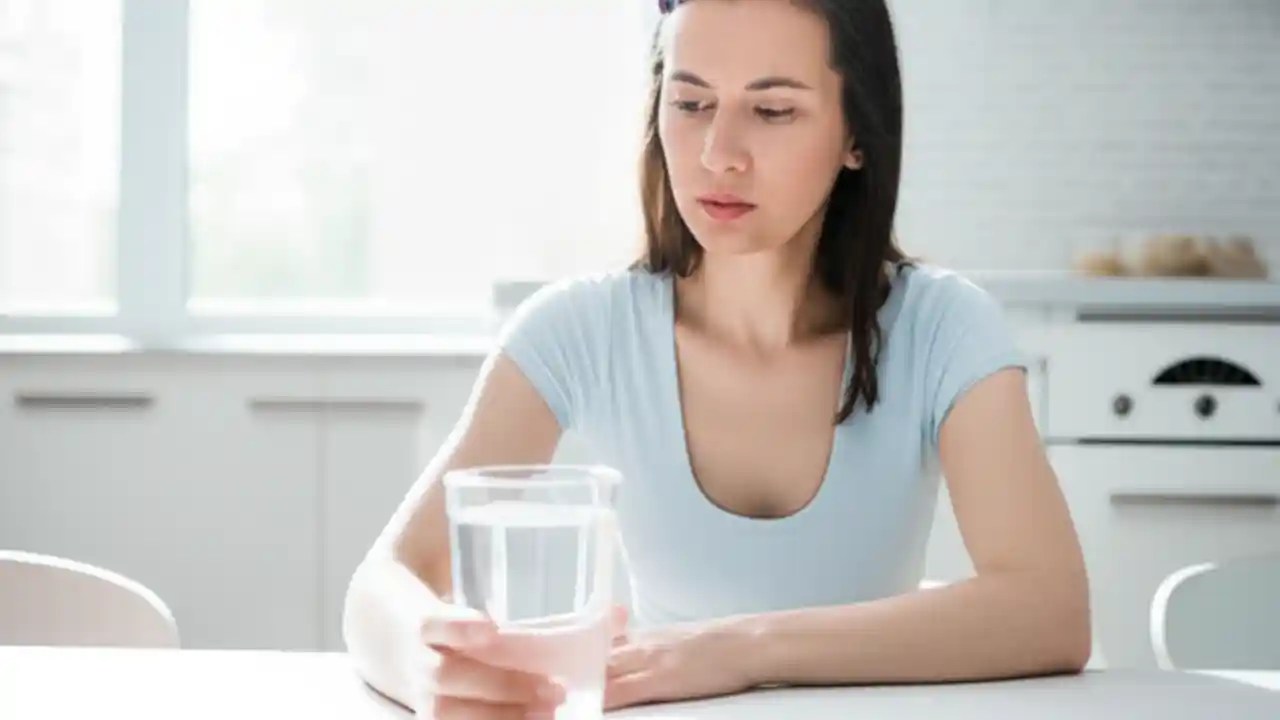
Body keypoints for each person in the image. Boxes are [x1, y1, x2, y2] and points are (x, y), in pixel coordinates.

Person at [342, 0, 1091, 717]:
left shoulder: (943, 328)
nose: (716, 155)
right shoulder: (577, 330)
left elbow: (1051, 610)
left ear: (856, 135)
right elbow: (385, 583)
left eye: (772, 111)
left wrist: (740, 649)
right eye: (692, 102)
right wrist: (428, 664)